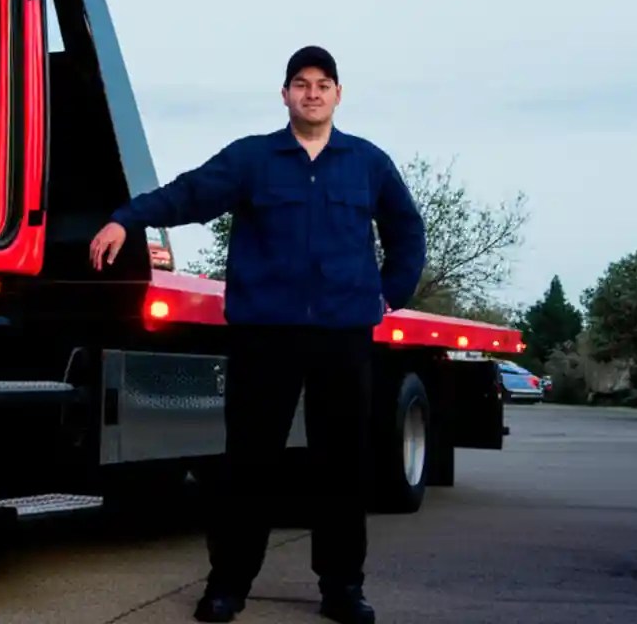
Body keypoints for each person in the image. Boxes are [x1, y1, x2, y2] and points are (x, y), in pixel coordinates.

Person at [89, 46, 426, 624]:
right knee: (249, 464)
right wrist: (127, 216)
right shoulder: (252, 159)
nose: (312, 93)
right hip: (264, 336)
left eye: (323, 84)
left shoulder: (368, 163)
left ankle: (342, 588)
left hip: (341, 337)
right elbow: (188, 194)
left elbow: (406, 230)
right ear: (286, 94)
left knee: (341, 466)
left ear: (338, 95)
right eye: (301, 83)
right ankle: (228, 585)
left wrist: (388, 293)